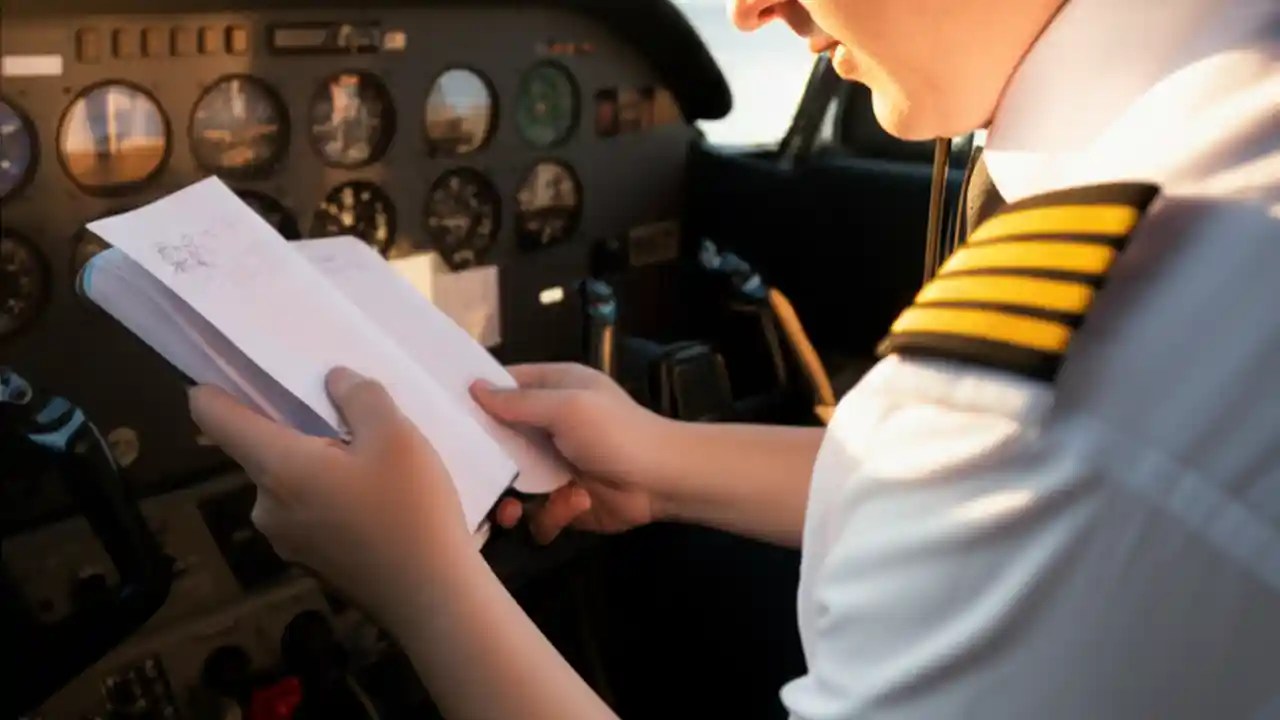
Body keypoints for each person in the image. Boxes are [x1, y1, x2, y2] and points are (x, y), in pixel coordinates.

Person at [189, 0, 1280, 717]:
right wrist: (666, 458)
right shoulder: (1236, 129)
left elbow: (1038, 477)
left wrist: (422, 587)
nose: (752, 4)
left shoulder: (1073, 388)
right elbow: (1019, 502)